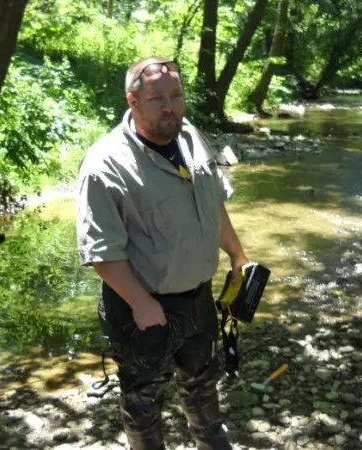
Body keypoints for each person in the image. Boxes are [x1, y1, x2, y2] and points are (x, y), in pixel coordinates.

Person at [77, 56, 249, 450]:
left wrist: (238, 256)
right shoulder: (106, 165)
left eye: (176, 95)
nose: (170, 106)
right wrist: (140, 303)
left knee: (202, 384)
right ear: (133, 100)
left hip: (199, 298)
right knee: (142, 402)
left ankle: (211, 442)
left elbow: (213, 203)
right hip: (142, 308)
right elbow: (102, 250)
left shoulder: (189, 136)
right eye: (157, 98)